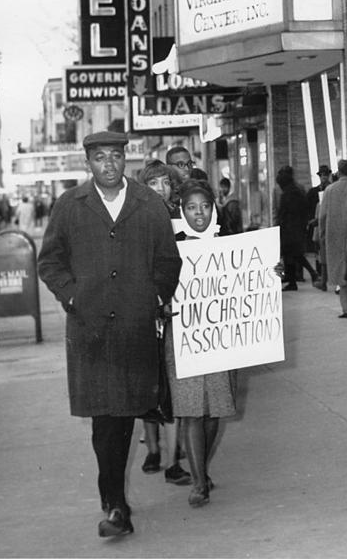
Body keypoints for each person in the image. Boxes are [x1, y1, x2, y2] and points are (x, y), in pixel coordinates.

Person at [37, 131, 182, 539]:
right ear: (89, 163)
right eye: (100, 157)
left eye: (115, 156)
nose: (109, 164)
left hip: (135, 326)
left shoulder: (148, 204)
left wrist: (153, 295)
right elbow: (50, 261)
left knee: (127, 415)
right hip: (91, 331)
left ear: (126, 159)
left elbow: (168, 261)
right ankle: (115, 504)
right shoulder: (70, 206)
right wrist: (72, 297)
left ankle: (115, 501)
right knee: (105, 421)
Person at [167, 179, 239, 507]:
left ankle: (201, 466)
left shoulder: (229, 243)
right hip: (183, 337)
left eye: (205, 206)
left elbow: (244, 283)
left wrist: (271, 272)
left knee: (214, 413)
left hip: (219, 337)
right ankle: (199, 482)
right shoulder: (170, 245)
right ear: (182, 210)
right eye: (192, 207)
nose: (199, 213)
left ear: (214, 209)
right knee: (192, 410)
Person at [135, 160, 191, 485]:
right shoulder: (138, 221)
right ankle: (153, 449)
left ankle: (172, 460)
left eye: (165, 183)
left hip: (178, 313)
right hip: (150, 312)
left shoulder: (180, 219)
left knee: (173, 385)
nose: (161, 189)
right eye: (154, 183)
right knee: (152, 382)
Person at [318, 160, 347, 317]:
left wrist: (322, 235)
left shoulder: (330, 190)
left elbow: (322, 216)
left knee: (341, 273)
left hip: (335, 235)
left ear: (339, 172)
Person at [275, 165, 316, 290]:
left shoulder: (287, 194)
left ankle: (306, 275)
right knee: (293, 254)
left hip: (289, 229)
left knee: (292, 254)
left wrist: (279, 226)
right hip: (297, 227)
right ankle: (293, 278)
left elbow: (283, 213)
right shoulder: (297, 191)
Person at [305, 165, 332, 287]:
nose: (324, 177)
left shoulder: (331, 189)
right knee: (318, 250)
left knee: (325, 250)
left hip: (327, 222)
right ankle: (320, 273)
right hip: (317, 223)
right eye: (322, 175)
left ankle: (325, 276)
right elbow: (309, 207)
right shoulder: (313, 192)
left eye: (326, 175)